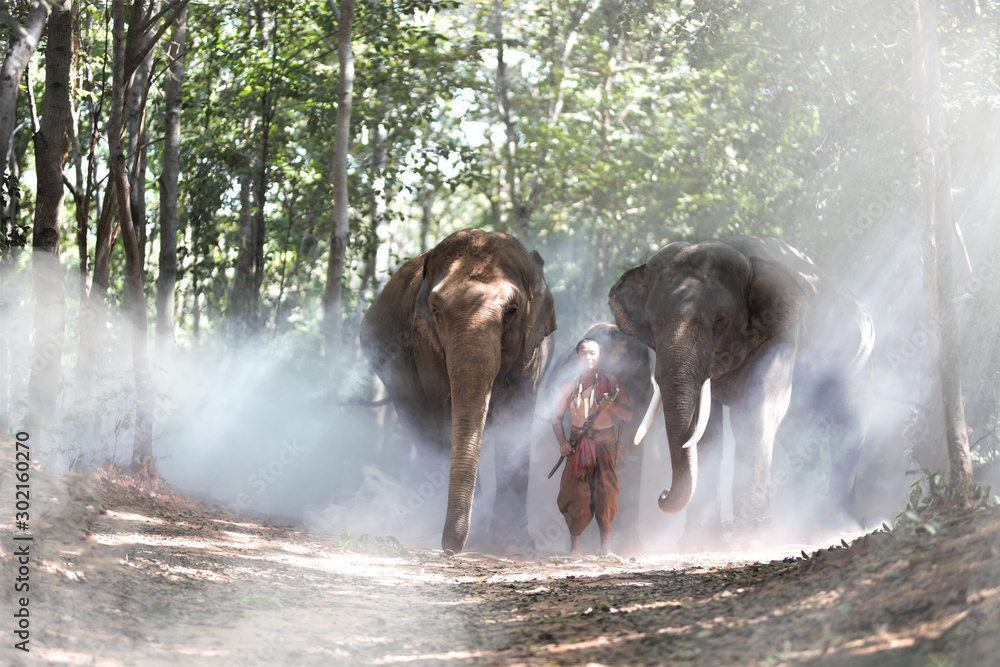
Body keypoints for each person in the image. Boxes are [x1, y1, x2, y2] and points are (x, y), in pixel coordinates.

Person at [551, 338, 633, 557]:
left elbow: (628, 414)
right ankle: (574, 550)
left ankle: (605, 549)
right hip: (578, 446)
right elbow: (556, 419)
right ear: (577, 357)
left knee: (607, 496)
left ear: (600, 357)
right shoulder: (569, 385)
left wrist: (613, 406)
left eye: (593, 353)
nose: (588, 357)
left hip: (605, 444)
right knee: (574, 495)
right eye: (584, 353)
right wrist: (563, 444)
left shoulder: (611, 383)